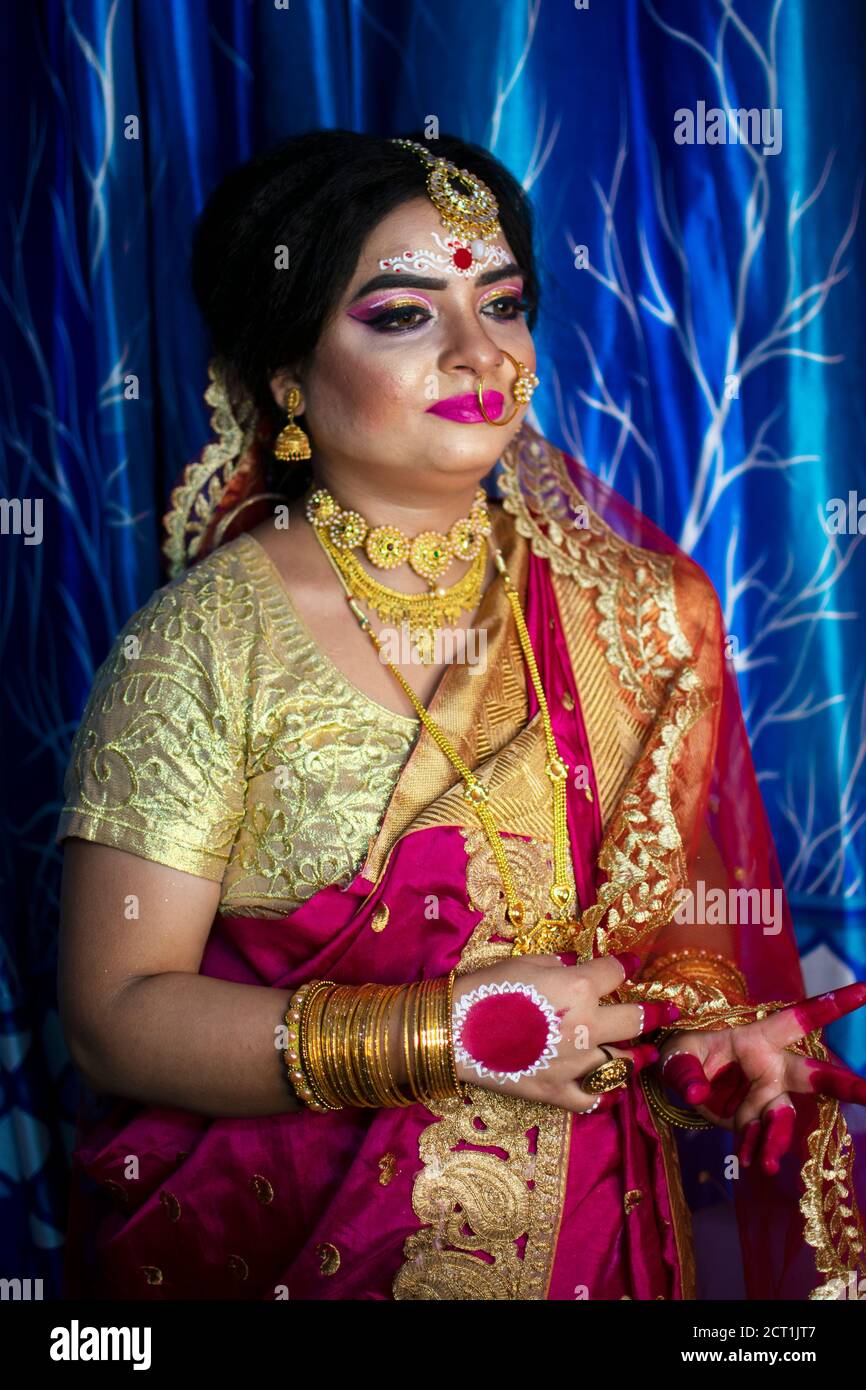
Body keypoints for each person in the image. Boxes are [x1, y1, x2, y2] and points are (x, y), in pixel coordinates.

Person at [56, 129, 866, 1301]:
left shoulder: (635, 612)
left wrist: (705, 1039)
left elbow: (675, 953)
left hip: (599, 1243)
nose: (478, 350)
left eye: (502, 302)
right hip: (298, 1249)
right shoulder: (201, 645)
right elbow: (115, 1016)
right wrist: (448, 1032)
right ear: (283, 377)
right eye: (402, 314)